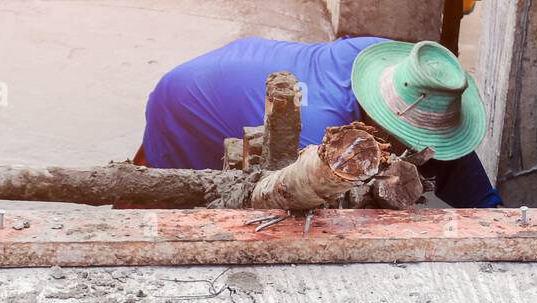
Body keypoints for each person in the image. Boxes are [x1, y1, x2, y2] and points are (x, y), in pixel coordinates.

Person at [141, 37, 501, 208]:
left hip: (241, 59)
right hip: (189, 100)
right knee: (188, 207)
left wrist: (493, 213)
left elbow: (450, 162)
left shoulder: (395, 64)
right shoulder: (320, 135)